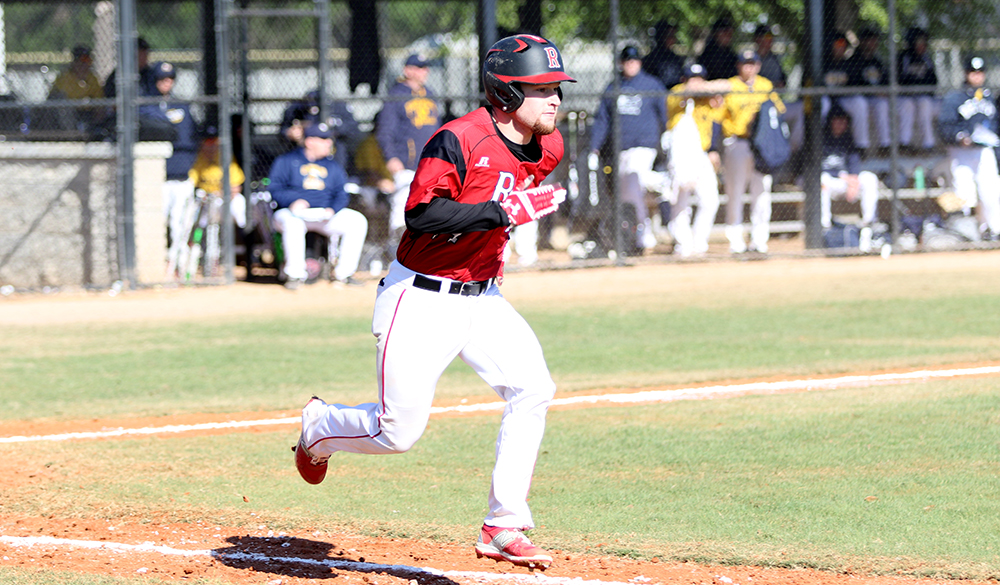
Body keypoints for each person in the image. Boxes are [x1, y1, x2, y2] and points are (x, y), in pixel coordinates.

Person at [292, 34, 574, 570]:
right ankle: (319, 425)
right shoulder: (458, 139)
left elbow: (512, 199)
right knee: (397, 433)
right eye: (542, 89)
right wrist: (502, 211)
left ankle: (503, 524)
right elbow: (421, 216)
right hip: (419, 296)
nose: (555, 99)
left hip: (484, 296)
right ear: (507, 92)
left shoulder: (549, 145)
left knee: (533, 387)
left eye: (557, 87)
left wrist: (506, 214)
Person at [267, 121, 369, 289]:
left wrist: (332, 209)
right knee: (293, 224)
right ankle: (295, 275)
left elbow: (341, 194)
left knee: (357, 220)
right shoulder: (286, 160)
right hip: (292, 213)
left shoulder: (332, 165)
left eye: (329, 139)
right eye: (323, 139)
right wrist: (293, 200)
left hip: (324, 214)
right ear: (309, 141)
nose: (329, 143)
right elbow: (275, 189)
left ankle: (344, 274)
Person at [588, 45, 669, 252]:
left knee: (634, 181)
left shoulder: (652, 84)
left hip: (645, 146)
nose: (631, 64)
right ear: (621, 63)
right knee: (629, 195)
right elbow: (602, 121)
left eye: (634, 61)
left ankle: (663, 186)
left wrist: (666, 138)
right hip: (621, 150)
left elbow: (664, 114)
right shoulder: (613, 87)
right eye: (627, 61)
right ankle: (641, 233)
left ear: (640, 62)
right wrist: (594, 148)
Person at [139, 62, 201, 280]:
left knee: (180, 226)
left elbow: (193, 136)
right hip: (158, 179)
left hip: (183, 177)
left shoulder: (182, 105)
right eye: (162, 78)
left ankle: (180, 269)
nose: (167, 82)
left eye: (170, 78)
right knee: (155, 225)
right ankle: (152, 270)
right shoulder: (146, 104)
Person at [720, 49, 785, 254]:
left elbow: (778, 111)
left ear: (758, 65)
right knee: (735, 191)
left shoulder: (765, 85)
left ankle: (759, 240)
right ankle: (736, 241)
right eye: (745, 63)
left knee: (762, 191)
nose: (749, 67)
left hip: (761, 146)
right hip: (738, 142)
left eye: (752, 63)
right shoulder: (730, 85)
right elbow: (720, 116)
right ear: (739, 66)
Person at [375, 53, 442, 239]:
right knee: (403, 205)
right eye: (419, 68)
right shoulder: (396, 95)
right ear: (408, 70)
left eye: (425, 67)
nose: (424, 71)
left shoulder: (430, 93)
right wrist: (390, 157)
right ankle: (397, 250)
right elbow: (385, 131)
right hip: (407, 162)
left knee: (431, 206)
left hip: (431, 161)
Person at [665, 63, 725, 257]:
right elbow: (683, 93)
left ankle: (699, 242)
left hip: (702, 154)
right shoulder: (677, 93)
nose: (696, 83)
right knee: (680, 199)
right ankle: (683, 243)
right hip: (681, 154)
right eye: (692, 78)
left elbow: (727, 86)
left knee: (710, 200)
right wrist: (695, 88)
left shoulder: (708, 100)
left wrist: (713, 151)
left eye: (700, 78)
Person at [937, 56, 1000, 241]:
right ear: (966, 74)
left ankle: (994, 230)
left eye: (980, 72)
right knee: (963, 193)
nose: (977, 76)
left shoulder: (990, 97)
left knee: (990, 191)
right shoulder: (954, 98)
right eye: (973, 72)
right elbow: (944, 126)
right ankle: (965, 234)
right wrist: (960, 137)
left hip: (984, 150)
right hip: (961, 151)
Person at [819, 104, 880, 252]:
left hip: (845, 182)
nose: (841, 124)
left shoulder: (848, 139)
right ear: (830, 122)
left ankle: (868, 223)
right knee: (822, 179)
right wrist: (845, 177)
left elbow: (854, 163)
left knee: (870, 178)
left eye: (843, 121)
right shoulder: (820, 139)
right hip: (830, 181)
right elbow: (815, 168)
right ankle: (825, 226)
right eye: (837, 121)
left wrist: (853, 179)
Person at [279, 89, 361, 171]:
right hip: (303, 153)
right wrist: (289, 133)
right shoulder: (296, 109)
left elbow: (354, 130)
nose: (313, 111)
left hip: (334, 151)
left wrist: (334, 125)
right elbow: (283, 131)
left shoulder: (339, 107)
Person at [844, 27, 890, 152]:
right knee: (860, 103)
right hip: (857, 98)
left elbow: (885, 82)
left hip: (874, 99)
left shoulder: (877, 62)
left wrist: (882, 92)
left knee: (882, 104)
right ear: (863, 42)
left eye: (875, 41)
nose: (874, 43)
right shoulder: (853, 60)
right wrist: (872, 91)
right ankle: (861, 146)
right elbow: (852, 85)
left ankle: (885, 145)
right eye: (870, 40)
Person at [897, 27, 938, 152]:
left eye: (924, 42)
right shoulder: (903, 57)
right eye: (919, 42)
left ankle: (928, 144)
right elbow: (899, 80)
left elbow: (934, 80)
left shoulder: (927, 58)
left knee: (924, 102)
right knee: (907, 105)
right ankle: (904, 143)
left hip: (923, 96)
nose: (922, 45)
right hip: (904, 97)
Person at [47, 45, 105, 132]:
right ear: (75, 62)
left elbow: (99, 98)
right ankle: (70, 133)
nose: (84, 65)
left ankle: (95, 131)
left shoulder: (92, 78)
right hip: (66, 113)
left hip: (85, 112)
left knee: (100, 109)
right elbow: (63, 98)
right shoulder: (65, 77)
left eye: (87, 61)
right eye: (81, 61)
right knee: (65, 107)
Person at [642, 20, 685, 90]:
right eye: (670, 36)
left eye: (674, 36)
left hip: (675, 96)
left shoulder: (676, 58)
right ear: (661, 36)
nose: (674, 39)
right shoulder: (651, 59)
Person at [698, 17, 738, 81]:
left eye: (730, 33)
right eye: (725, 32)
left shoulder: (730, 54)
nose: (728, 35)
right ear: (716, 34)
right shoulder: (708, 54)